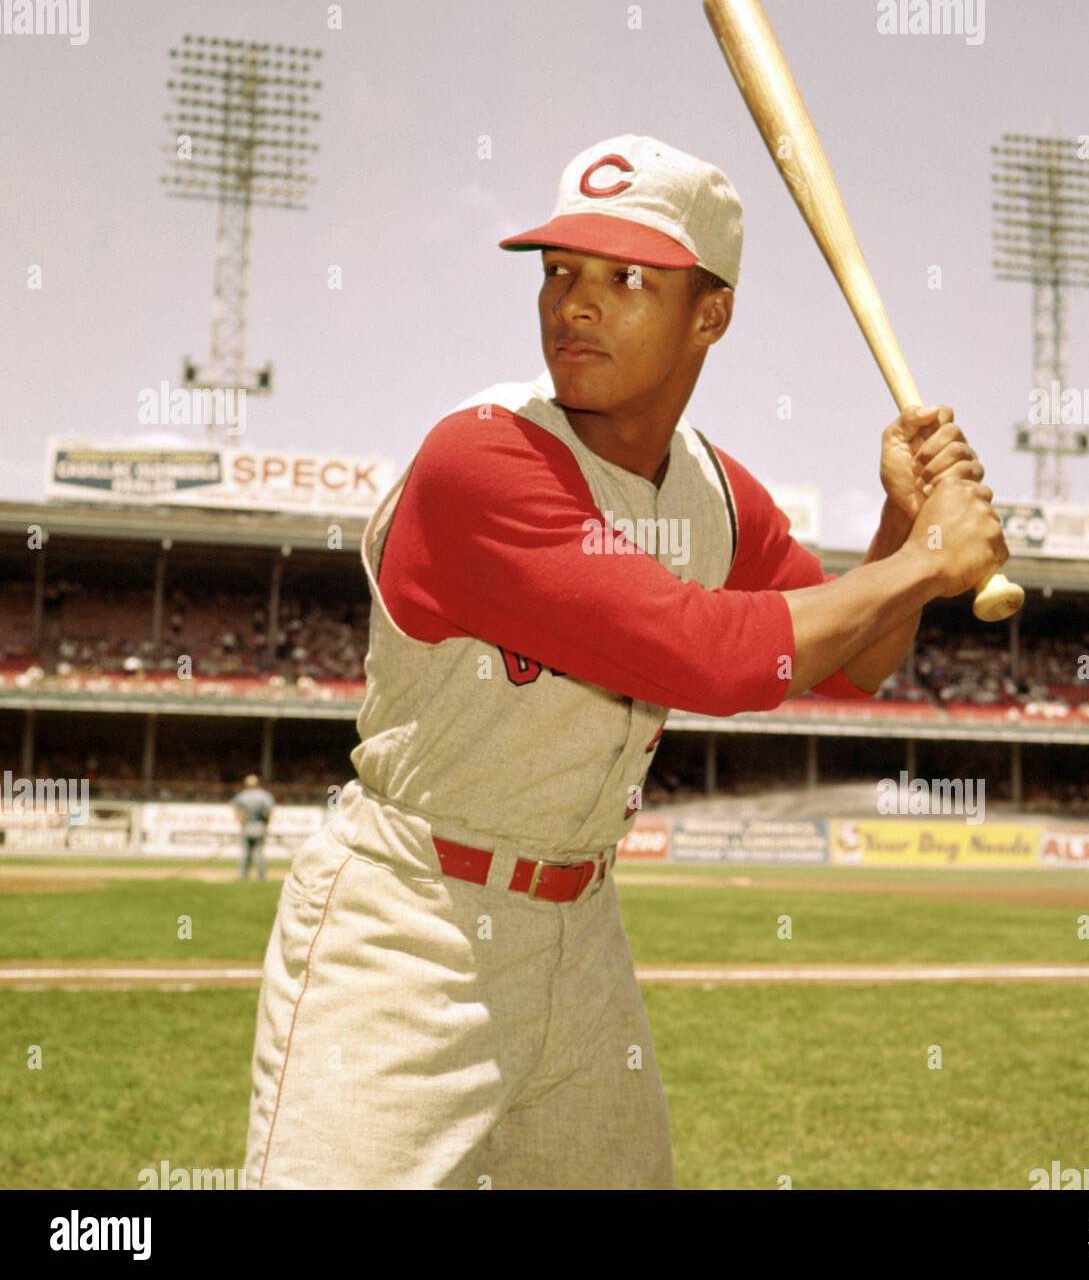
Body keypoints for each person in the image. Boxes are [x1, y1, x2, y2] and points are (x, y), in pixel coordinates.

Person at [242, 134, 1008, 1190]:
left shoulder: (716, 493)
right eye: (559, 272)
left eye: (625, 277)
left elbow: (854, 665)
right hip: (408, 927)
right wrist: (926, 562)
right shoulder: (481, 457)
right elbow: (709, 655)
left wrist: (899, 525)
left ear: (711, 313)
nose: (574, 304)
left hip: (583, 932)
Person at [233, 774, 274, 882]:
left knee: (245, 853)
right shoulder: (264, 795)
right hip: (259, 826)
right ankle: (260, 876)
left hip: (246, 827)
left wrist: (241, 819)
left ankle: (242, 876)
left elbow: (235, 807)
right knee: (259, 852)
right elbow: (269, 812)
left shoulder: (242, 795)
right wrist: (267, 824)